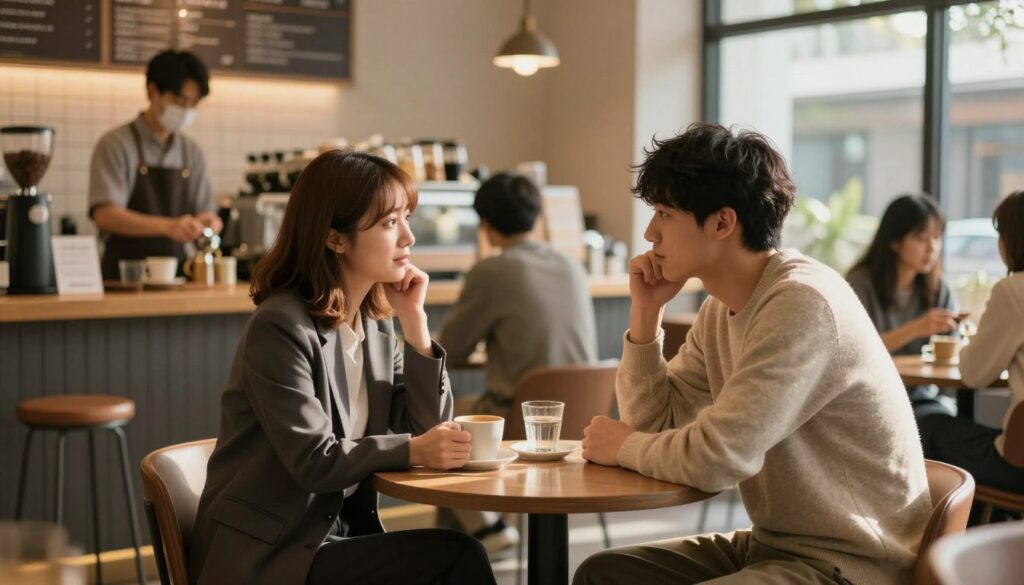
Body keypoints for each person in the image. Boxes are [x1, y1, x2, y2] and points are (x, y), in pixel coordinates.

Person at [575, 123, 931, 585]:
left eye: (664, 213)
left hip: (851, 563)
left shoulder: (802, 304)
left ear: (722, 223)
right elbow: (656, 424)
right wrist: (646, 317)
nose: (649, 233)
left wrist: (622, 447)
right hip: (774, 545)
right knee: (604, 573)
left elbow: (715, 459)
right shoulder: (720, 309)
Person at [187, 150, 495, 585]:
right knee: (456, 557)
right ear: (335, 238)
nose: (408, 237)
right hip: (269, 555)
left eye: (407, 218)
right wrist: (414, 448)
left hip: (331, 540)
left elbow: (429, 428)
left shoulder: (375, 328)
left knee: (456, 556)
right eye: (390, 223)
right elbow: (315, 460)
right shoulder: (279, 327)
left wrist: (416, 324)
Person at [437, 172, 597, 552]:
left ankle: (485, 531)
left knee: (437, 424)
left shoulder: (492, 270)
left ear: (486, 225)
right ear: (536, 217)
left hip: (519, 419)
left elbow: (452, 349)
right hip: (579, 419)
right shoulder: (572, 265)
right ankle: (479, 532)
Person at [918, 190, 1024, 507]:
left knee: (927, 426)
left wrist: (972, 343)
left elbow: (973, 373)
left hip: (1018, 466)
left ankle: (948, 546)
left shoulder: (1013, 291)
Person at [89, 49, 222, 280]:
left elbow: (206, 211)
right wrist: (168, 226)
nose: (187, 110)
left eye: (194, 103)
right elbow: (105, 215)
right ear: (153, 91)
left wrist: (209, 223)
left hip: (180, 276)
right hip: (124, 278)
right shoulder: (115, 144)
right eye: (181, 100)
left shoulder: (192, 151)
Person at [846, 194, 961, 416]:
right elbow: (854, 351)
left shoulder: (938, 289)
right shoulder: (861, 283)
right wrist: (917, 328)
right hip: (874, 400)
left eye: (937, 238)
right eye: (921, 238)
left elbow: (955, 351)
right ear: (895, 242)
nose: (932, 248)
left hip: (924, 399)